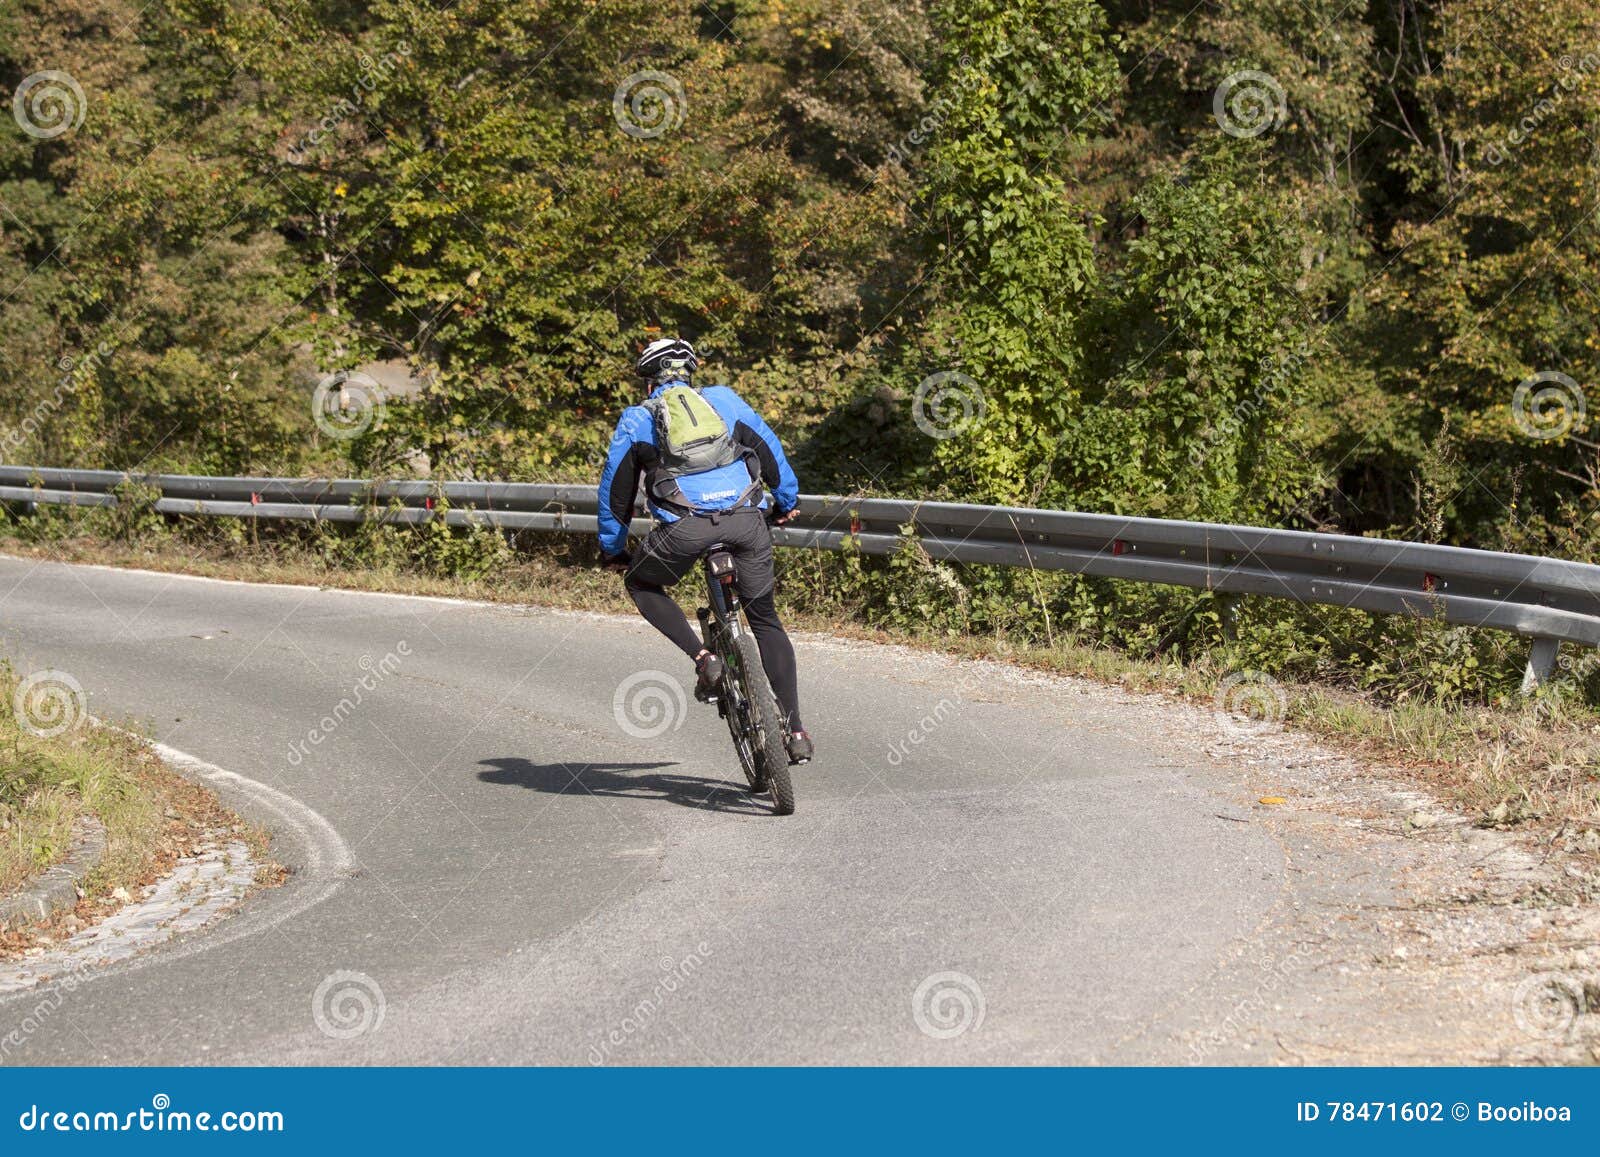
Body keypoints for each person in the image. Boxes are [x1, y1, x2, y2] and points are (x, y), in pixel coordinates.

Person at [597, 337, 814, 764]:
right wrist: (786, 502)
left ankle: (704, 657)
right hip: (746, 522)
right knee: (766, 621)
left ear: (649, 382)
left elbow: (615, 494)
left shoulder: (637, 419)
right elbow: (771, 452)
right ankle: (795, 731)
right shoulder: (726, 402)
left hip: (683, 531)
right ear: (691, 371)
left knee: (641, 584)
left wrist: (613, 548)